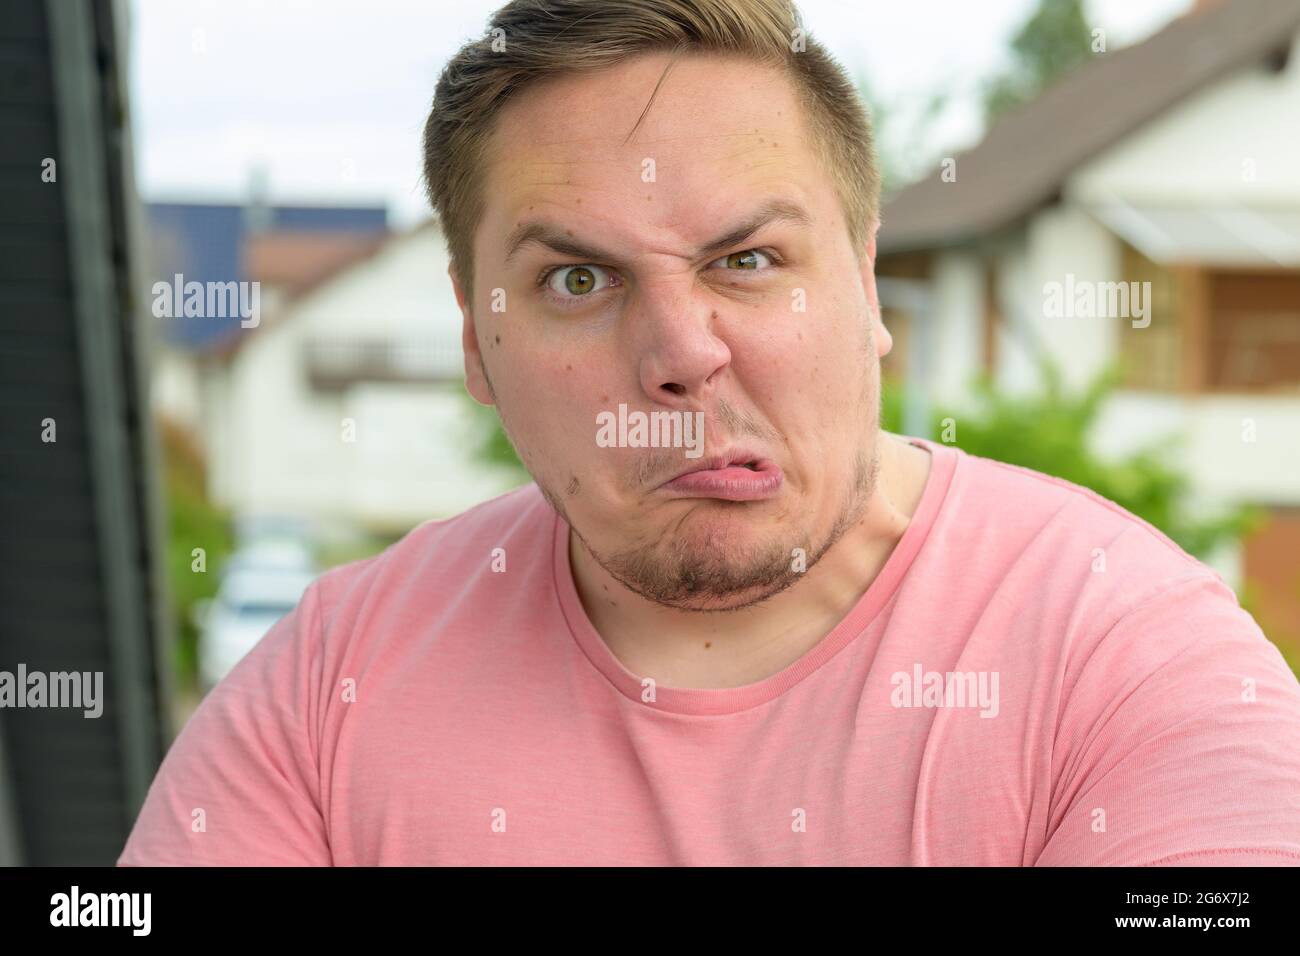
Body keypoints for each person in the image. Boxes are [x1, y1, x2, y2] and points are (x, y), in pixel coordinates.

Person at [119, 0, 1300, 866]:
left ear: (867, 287)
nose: (682, 351)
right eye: (577, 279)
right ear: (477, 343)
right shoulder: (329, 688)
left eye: (746, 260)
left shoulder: (1128, 655)